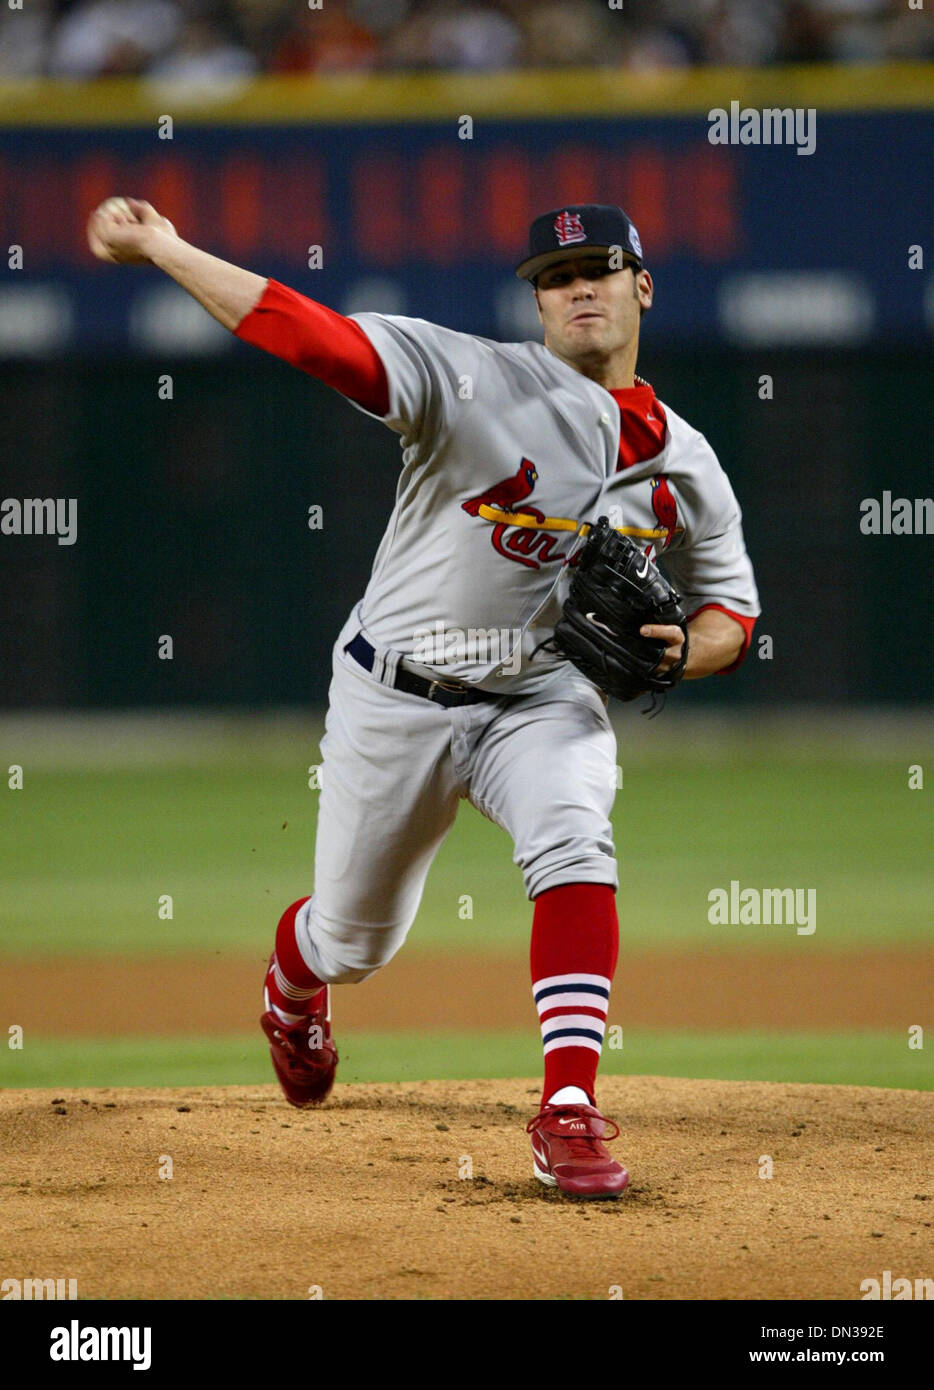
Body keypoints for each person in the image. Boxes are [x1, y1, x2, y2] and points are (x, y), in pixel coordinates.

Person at [87, 198, 760, 1198]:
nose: (578, 287)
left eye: (599, 268)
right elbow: (309, 337)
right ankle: (294, 985)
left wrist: (676, 657)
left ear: (641, 287)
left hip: (540, 698)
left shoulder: (684, 460)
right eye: (554, 275)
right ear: (535, 303)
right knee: (355, 941)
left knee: (575, 838)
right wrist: (165, 247)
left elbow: (732, 615)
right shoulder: (469, 375)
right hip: (397, 694)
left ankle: (568, 1109)